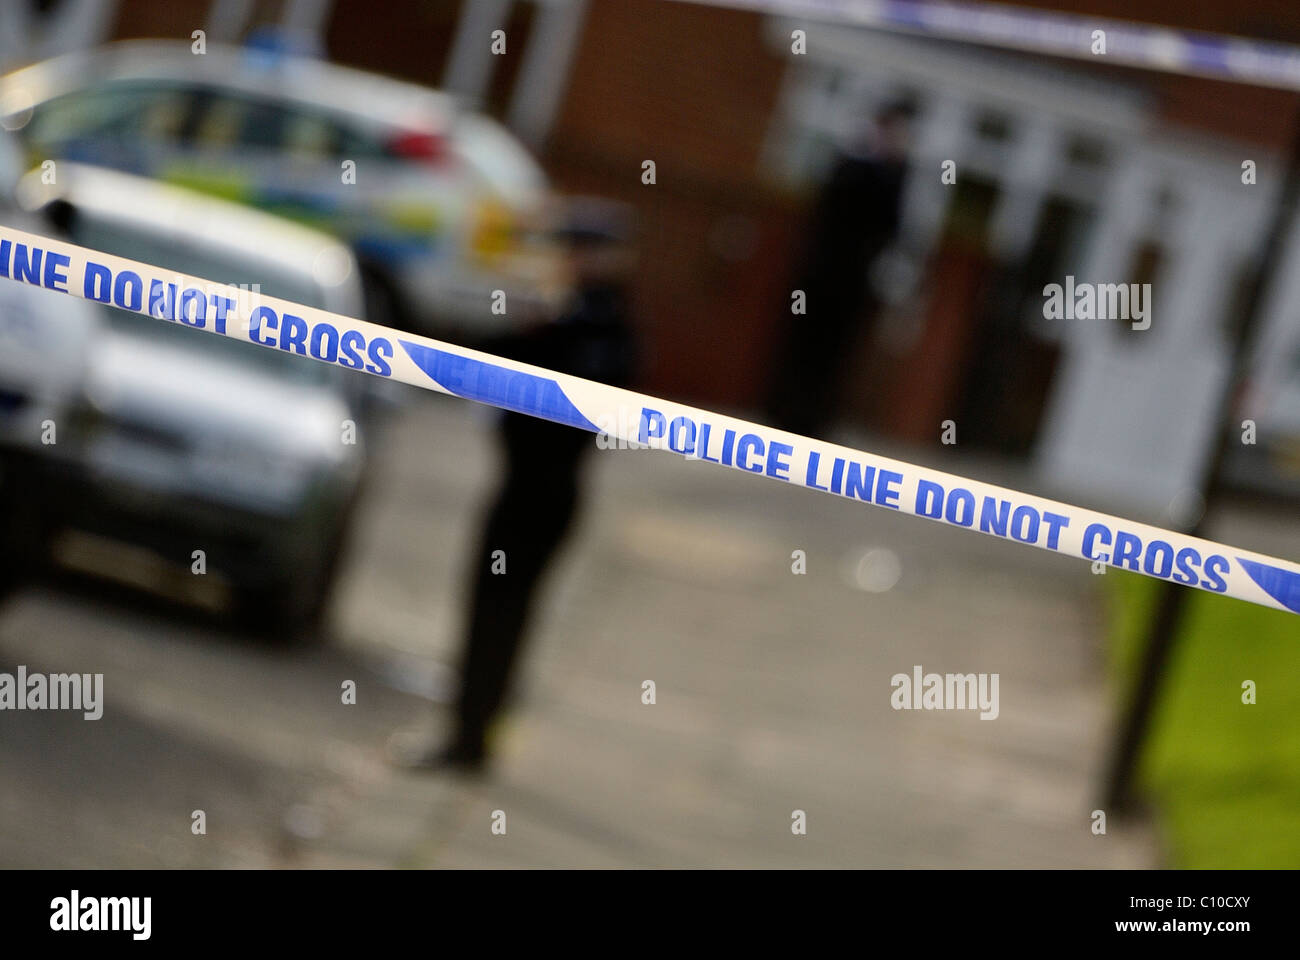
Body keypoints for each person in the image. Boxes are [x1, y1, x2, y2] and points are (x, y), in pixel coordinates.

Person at [392, 198, 636, 772]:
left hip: (542, 492)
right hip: (523, 484)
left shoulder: (602, 323)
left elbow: (590, 388)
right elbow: (495, 356)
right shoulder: (571, 314)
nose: (570, 259)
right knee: (490, 609)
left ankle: (471, 739)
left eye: (583, 249)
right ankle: (469, 732)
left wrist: (542, 326)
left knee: (501, 613)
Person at [764, 100, 914, 438]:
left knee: (834, 354)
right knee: (803, 344)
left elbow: (891, 225)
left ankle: (813, 417)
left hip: (852, 284)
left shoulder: (894, 174)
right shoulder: (851, 167)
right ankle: (785, 411)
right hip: (822, 277)